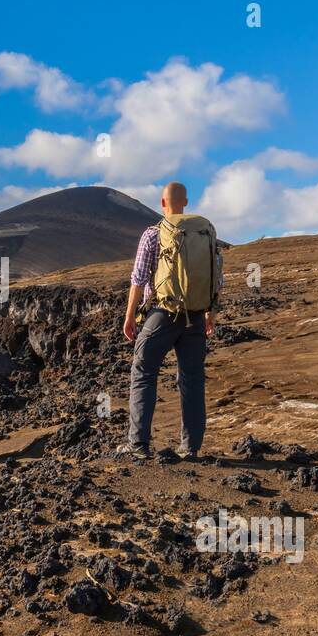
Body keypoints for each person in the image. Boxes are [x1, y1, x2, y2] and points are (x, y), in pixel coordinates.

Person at [118, 181, 223, 461]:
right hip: (197, 316)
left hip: (163, 314)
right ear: (185, 202)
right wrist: (210, 312)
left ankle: (138, 445)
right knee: (192, 379)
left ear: (162, 203)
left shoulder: (154, 233)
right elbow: (216, 275)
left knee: (143, 372)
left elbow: (138, 279)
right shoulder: (205, 231)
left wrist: (130, 316)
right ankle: (190, 448)